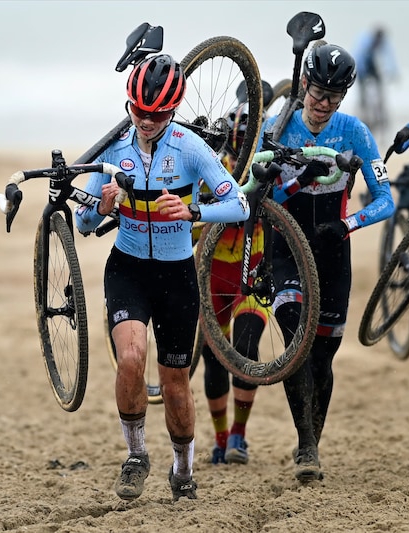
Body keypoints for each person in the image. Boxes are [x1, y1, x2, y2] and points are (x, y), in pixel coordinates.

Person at [74, 53, 250, 501]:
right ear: (129, 104)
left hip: (177, 274)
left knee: (175, 382)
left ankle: (183, 471)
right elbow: (83, 224)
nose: (146, 121)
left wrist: (194, 210)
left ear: (173, 111)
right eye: (138, 111)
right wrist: (103, 206)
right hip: (128, 268)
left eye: (157, 115)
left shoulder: (190, 148)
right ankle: (135, 456)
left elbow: (240, 205)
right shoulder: (114, 149)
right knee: (131, 359)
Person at [259, 43, 395, 482]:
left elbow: (386, 200)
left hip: (334, 252)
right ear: (304, 84)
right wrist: (301, 179)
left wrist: (348, 224)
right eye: (317, 95)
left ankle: (312, 438)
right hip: (285, 249)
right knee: (296, 345)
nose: (322, 106)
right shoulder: (276, 128)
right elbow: (258, 197)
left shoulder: (355, 131)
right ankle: (306, 445)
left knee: (322, 358)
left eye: (333, 99)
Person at [200, 101, 269, 466]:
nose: (242, 146)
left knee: (245, 348)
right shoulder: (211, 168)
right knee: (213, 360)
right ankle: (221, 436)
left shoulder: (266, 165)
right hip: (212, 277)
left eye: (248, 140)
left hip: (252, 273)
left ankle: (239, 437)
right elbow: (193, 223)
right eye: (237, 140)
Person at [352, 26, 399, 137]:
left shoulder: (383, 41)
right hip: (361, 66)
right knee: (362, 96)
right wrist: (359, 74)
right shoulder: (365, 40)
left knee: (380, 93)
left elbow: (390, 56)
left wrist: (393, 72)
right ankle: (363, 114)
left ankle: (381, 110)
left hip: (372, 65)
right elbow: (358, 57)